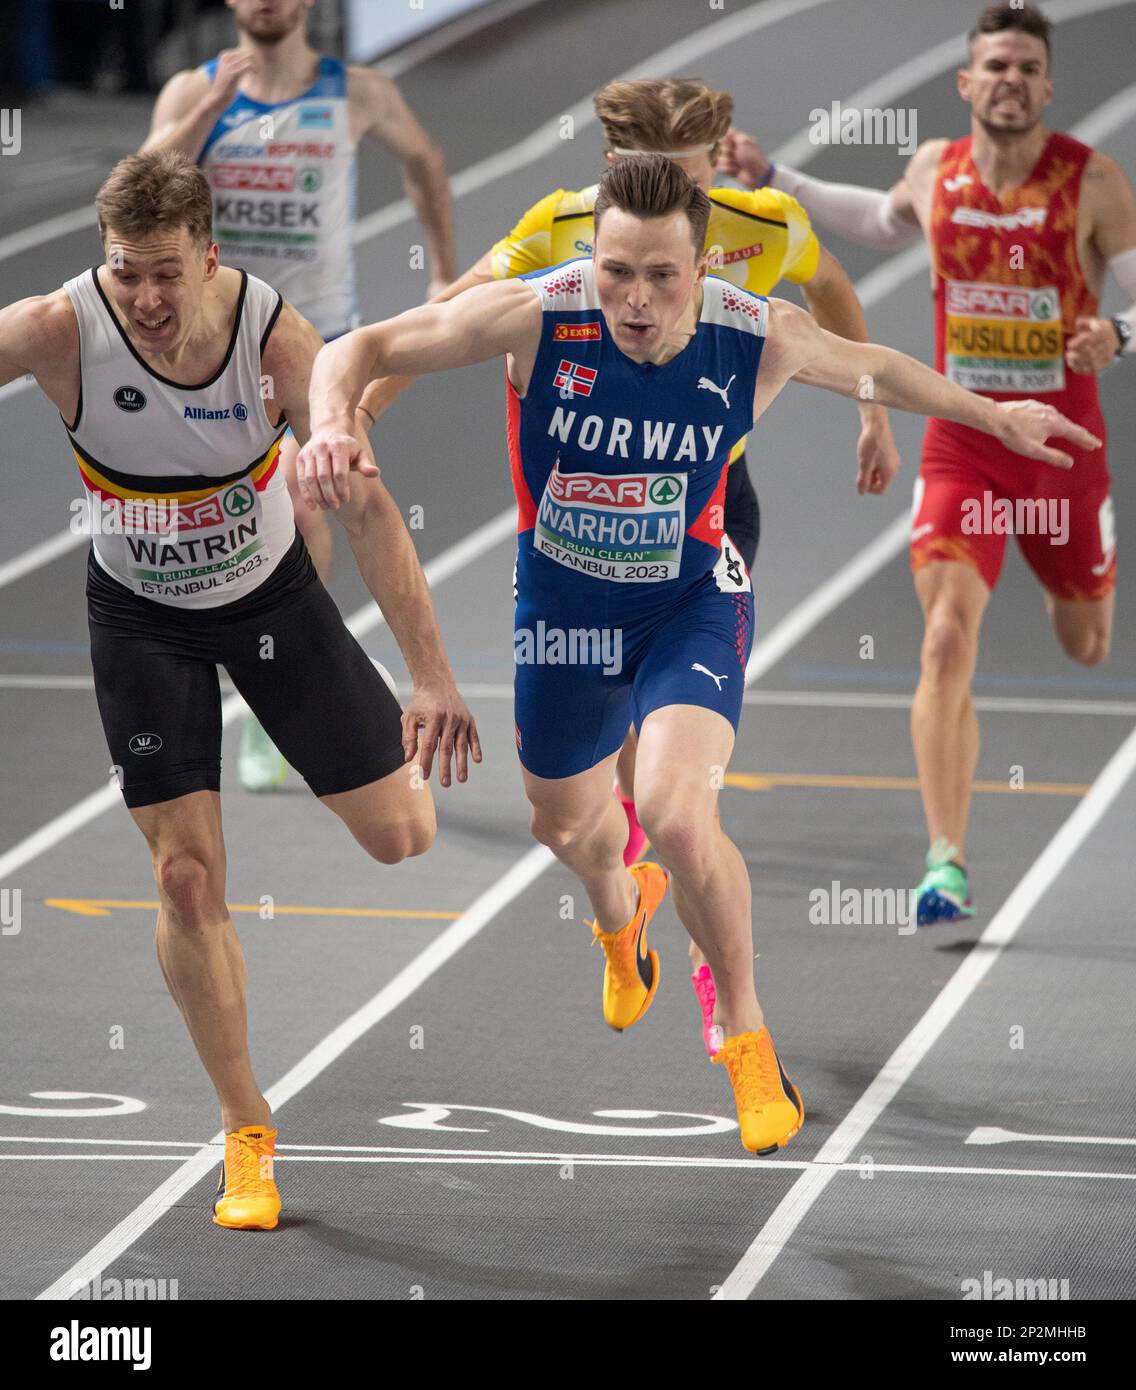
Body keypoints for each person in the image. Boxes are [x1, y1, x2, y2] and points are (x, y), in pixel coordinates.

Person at [298, 155, 1096, 1153]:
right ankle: (617, 912)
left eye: (659, 276)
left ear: (705, 264)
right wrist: (333, 423)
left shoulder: (753, 334)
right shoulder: (541, 313)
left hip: (688, 605)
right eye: (615, 270)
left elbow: (876, 364)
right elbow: (360, 345)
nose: (633, 300)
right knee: (564, 827)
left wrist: (994, 416)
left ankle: (743, 1033)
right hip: (563, 616)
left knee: (677, 814)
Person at [351, 77, 901, 1056]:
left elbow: (825, 303)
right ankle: (623, 893)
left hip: (705, 509)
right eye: (669, 171)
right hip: (576, 527)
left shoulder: (763, 218)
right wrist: (360, 412)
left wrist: (867, 410)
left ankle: (713, 973)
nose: (690, 188)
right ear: (615, 170)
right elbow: (452, 308)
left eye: (701, 169)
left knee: (677, 794)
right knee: (582, 804)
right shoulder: (560, 227)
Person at [0, 150, 478, 1229]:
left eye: (168, 272)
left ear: (210, 255)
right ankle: (245, 1130)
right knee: (182, 880)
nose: (149, 300)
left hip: (270, 608)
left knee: (401, 834)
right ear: (102, 260)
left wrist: (431, 675)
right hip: (138, 618)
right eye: (128, 274)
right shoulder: (55, 329)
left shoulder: (276, 343)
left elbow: (368, 512)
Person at [717, 2, 1136, 923]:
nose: (1010, 80)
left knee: (1088, 643)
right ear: (966, 81)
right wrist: (776, 175)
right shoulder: (933, 170)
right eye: (995, 65)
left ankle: (1066, 590)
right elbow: (879, 219)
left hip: (1064, 453)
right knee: (945, 640)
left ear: (1048, 85)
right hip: (967, 441)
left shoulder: (1094, 182)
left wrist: (1119, 331)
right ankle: (945, 859)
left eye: (1027, 66)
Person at [142, 0, 456, 791]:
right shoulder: (193, 89)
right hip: (212, 350)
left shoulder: (360, 91)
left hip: (320, 351)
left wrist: (445, 272)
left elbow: (424, 160)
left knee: (308, 501)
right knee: (217, 529)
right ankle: (276, 665)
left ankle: (266, 699)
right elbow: (137, 190)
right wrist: (209, 113)